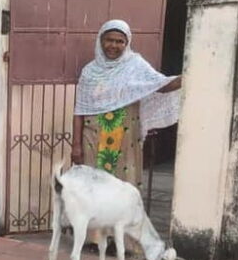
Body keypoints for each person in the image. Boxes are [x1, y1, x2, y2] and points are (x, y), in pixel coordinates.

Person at [71, 19, 181, 189]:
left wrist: (192, 73)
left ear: (127, 43)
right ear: (100, 40)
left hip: (125, 139)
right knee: (92, 186)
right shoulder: (89, 72)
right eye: (109, 40)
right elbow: (80, 110)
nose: (113, 45)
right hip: (93, 138)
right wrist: (76, 146)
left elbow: (161, 85)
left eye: (120, 41)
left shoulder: (135, 65)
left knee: (123, 187)